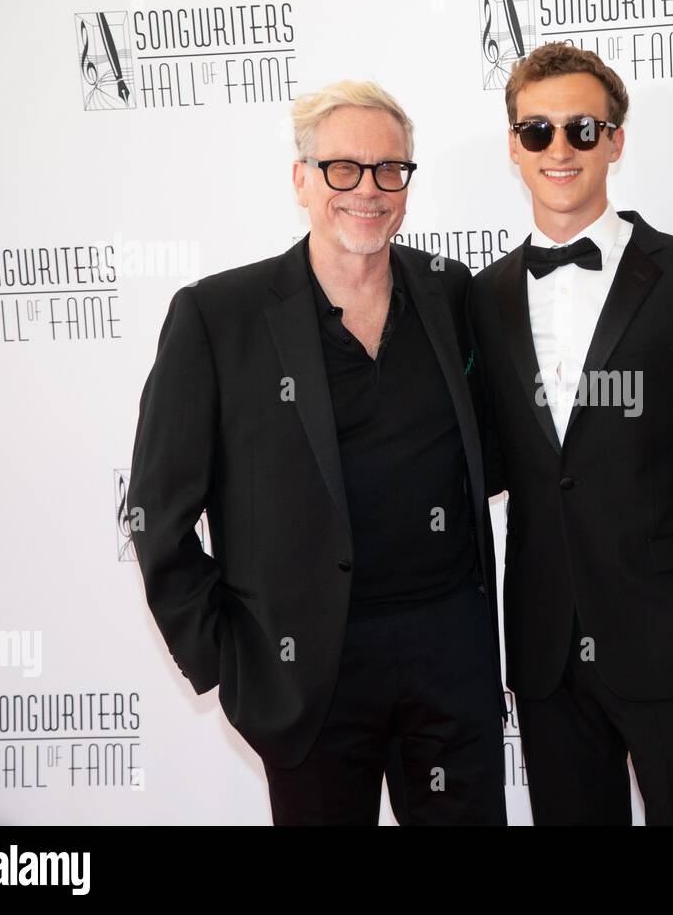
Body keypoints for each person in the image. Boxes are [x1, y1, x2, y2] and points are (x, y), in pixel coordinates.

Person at [129, 79, 505, 825]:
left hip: (449, 659)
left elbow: (492, 451)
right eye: (342, 168)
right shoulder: (218, 316)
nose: (368, 189)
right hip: (308, 672)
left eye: (389, 170)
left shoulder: (451, 292)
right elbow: (158, 513)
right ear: (301, 180)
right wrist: (231, 660)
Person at [469, 44, 673, 825]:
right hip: (544, 648)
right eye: (537, 132)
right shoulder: (484, 296)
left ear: (616, 141)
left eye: (581, 129)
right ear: (513, 148)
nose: (558, 149)